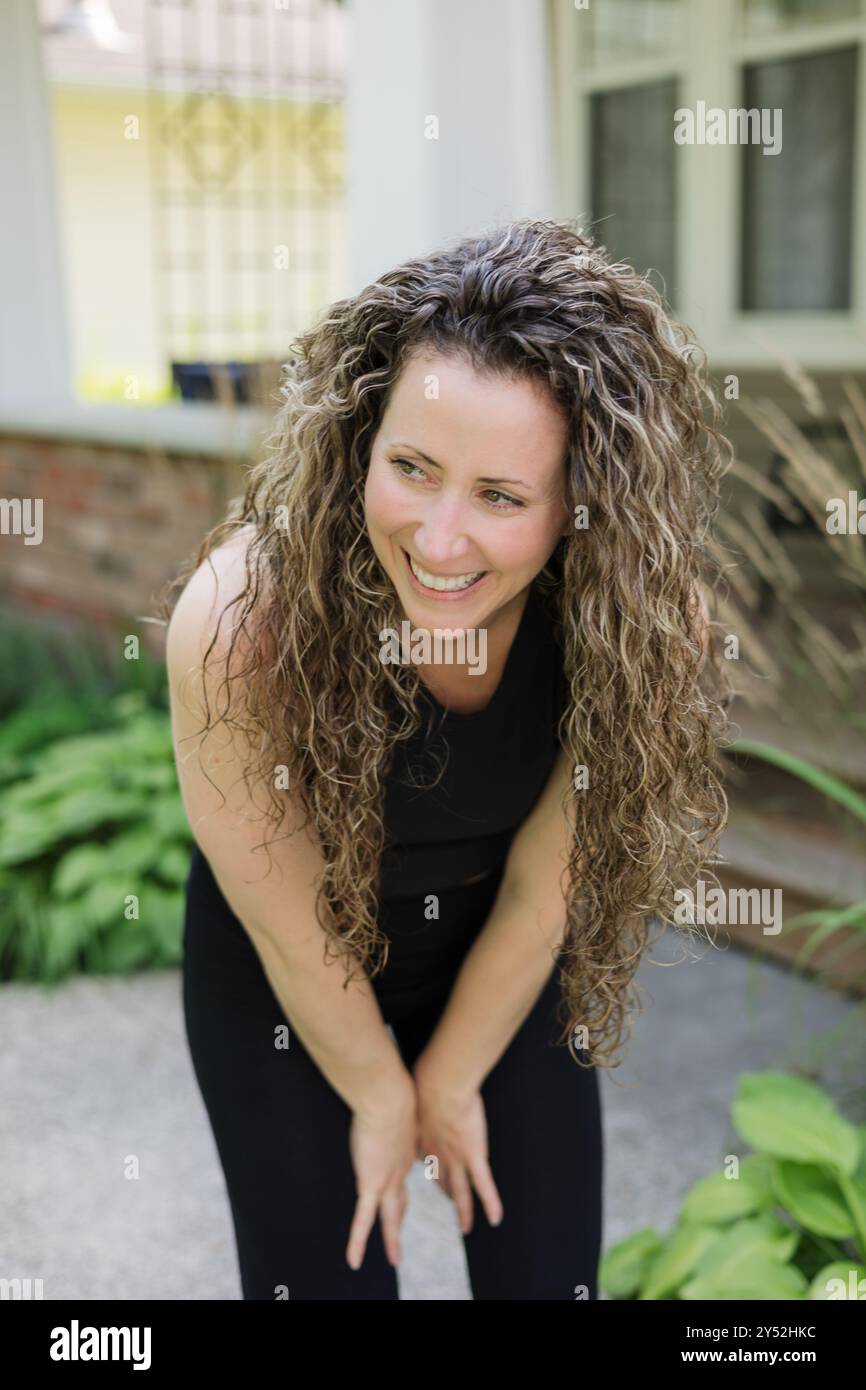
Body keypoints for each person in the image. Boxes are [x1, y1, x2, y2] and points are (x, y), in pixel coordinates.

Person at [161, 218, 732, 1300]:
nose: (437, 538)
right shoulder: (241, 623)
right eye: (411, 468)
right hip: (289, 975)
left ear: (579, 507)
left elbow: (538, 893)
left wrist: (453, 1074)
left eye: (502, 497)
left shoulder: (645, 632)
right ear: (358, 443)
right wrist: (380, 1095)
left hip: (503, 960)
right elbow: (286, 924)